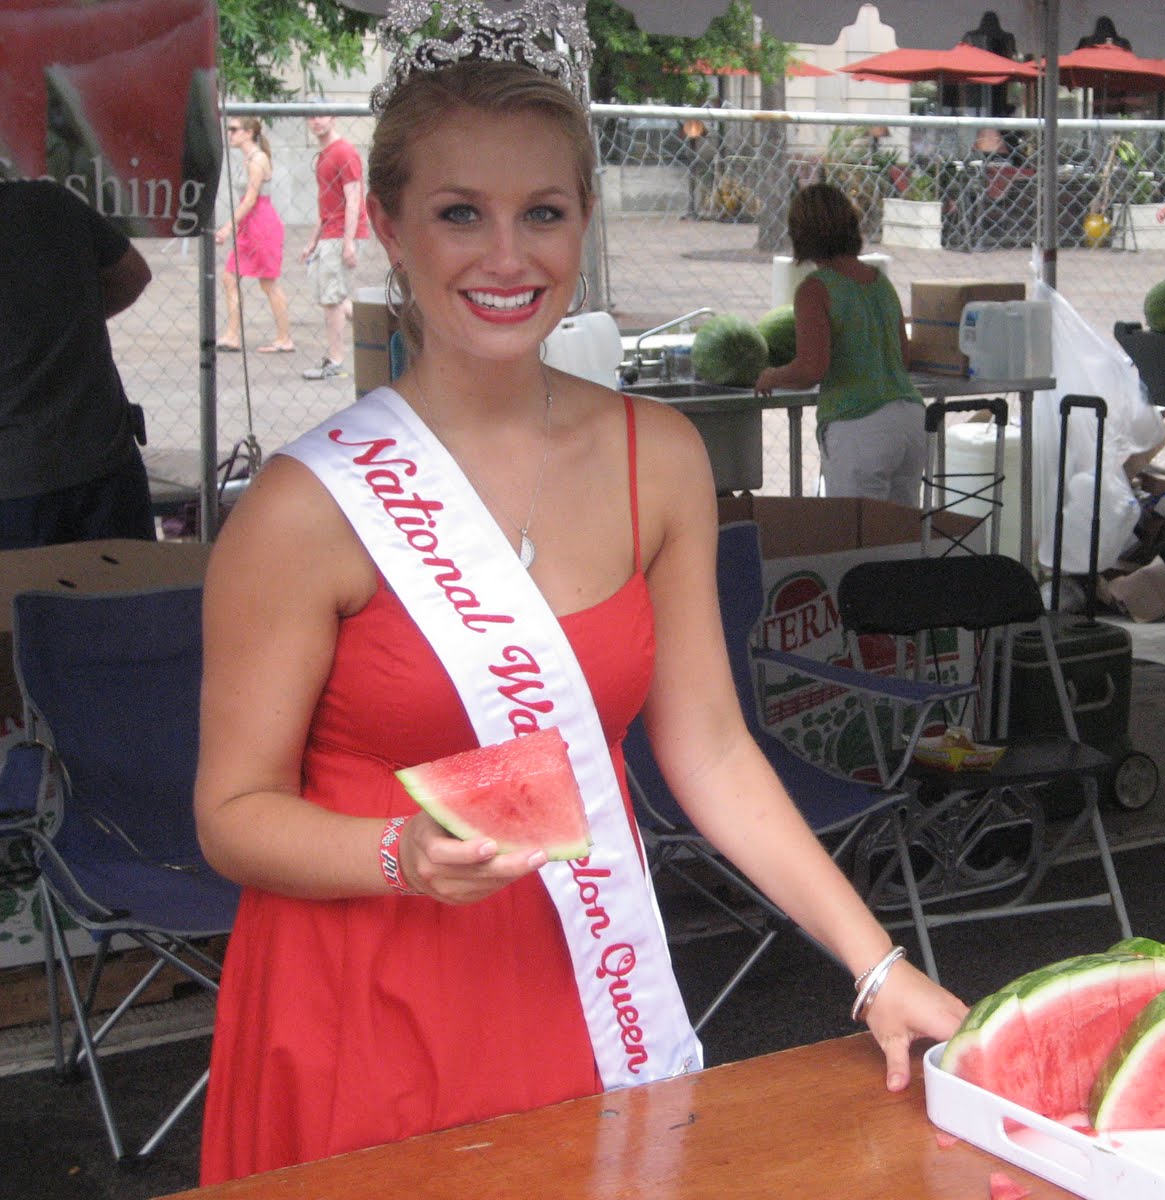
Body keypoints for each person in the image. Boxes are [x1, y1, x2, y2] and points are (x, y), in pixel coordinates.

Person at [195, 56, 965, 1184]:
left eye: (542, 214)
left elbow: (705, 745)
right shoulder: (307, 508)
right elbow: (229, 814)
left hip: (577, 981)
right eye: (462, 214)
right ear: (392, 225)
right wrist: (395, 852)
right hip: (360, 1000)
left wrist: (874, 965)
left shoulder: (660, 459)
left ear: (583, 223)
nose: (507, 258)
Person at [0, 179, 156, 549]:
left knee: (22, 606)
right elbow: (134, 275)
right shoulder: (51, 201)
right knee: (125, 601)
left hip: (15, 489)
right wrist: (68, 319)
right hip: (104, 465)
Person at [754, 183, 925, 506]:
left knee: (857, 539)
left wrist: (771, 376)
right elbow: (904, 357)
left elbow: (811, 368)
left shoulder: (815, 289)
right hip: (910, 421)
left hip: (859, 426)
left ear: (800, 234)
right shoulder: (879, 283)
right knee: (903, 541)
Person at [298, 112, 369, 380]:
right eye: (311, 117)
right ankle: (378, 327)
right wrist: (312, 241)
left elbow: (354, 199)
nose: (316, 121)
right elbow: (324, 204)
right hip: (329, 232)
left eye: (322, 115)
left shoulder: (344, 153)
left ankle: (335, 359)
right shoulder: (323, 155)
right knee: (332, 296)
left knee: (332, 298)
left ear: (334, 118)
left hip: (342, 233)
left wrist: (349, 242)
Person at [214, 116, 294, 354]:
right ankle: (232, 335)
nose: (230, 134)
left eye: (235, 129)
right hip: (250, 226)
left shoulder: (257, 160)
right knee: (230, 277)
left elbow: (251, 199)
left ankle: (284, 337)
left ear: (248, 132)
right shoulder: (250, 158)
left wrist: (227, 227)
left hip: (261, 225)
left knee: (268, 282)